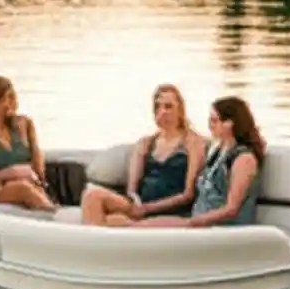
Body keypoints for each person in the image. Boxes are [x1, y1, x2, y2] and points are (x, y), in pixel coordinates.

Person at [108, 96, 265, 229]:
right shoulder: (219, 152)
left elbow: (231, 209)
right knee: (115, 221)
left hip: (218, 228)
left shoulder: (243, 159)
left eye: (214, 120)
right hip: (198, 221)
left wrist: (192, 222)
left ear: (229, 123)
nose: (210, 125)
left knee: (134, 227)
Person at [80, 84, 207, 225]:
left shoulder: (193, 142)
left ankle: (120, 231)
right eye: (158, 107)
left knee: (114, 221)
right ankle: (102, 237)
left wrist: (147, 209)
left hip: (172, 209)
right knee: (91, 196)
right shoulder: (146, 143)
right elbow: (132, 190)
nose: (162, 112)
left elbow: (188, 194)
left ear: (180, 110)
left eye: (168, 106)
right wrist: (136, 205)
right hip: (141, 205)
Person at [0, 75, 57, 212]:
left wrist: (37, 176)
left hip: (31, 182)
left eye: (12, 97)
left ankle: (51, 212)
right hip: (2, 190)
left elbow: (37, 157)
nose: (11, 103)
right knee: (22, 187)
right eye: (5, 99)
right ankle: (55, 215)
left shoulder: (24, 124)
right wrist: (14, 172)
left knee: (29, 187)